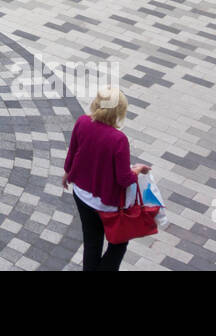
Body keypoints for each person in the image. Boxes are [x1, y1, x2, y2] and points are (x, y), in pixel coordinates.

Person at [62, 86, 152, 272]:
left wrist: (67, 173)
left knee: (92, 243)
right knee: (118, 245)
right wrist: (137, 170)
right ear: (119, 112)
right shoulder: (118, 139)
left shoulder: (82, 122)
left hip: (81, 194)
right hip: (107, 204)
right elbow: (123, 179)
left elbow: (73, 152)